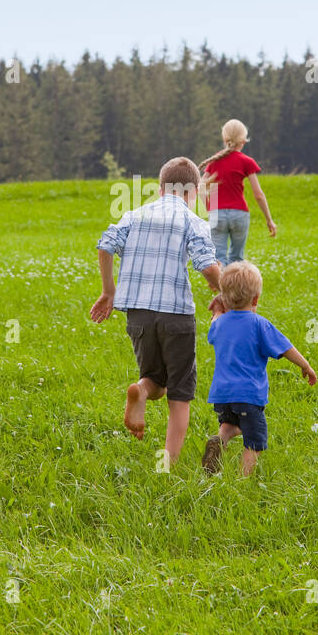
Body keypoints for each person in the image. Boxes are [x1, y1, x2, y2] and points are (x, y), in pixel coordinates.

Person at [90, 157, 223, 466]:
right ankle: (169, 463)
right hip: (176, 315)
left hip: (137, 315)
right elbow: (206, 265)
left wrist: (109, 291)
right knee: (179, 392)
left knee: (154, 381)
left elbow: (105, 244)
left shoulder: (135, 215)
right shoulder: (192, 220)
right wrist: (226, 295)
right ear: (193, 191)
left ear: (161, 187)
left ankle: (140, 389)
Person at [200, 261, 316, 476]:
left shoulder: (219, 323)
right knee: (255, 442)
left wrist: (217, 310)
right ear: (255, 299)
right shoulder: (259, 324)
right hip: (249, 395)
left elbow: (214, 320)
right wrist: (305, 365)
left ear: (224, 298)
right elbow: (286, 348)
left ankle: (220, 440)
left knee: (228, 424)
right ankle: (244, 480)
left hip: (222, 394)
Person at [197, 119, 275, 266]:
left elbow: (201, 187)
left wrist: (209, 209)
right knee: (236, 259)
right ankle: (234, 288)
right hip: (240, 214)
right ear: (244, 141)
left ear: (224, 138)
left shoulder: (214, 161)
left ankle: (222, 288)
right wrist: (269, 219)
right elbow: (258, 194)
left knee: (218, 258)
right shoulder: (247, 162)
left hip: (217, 214)